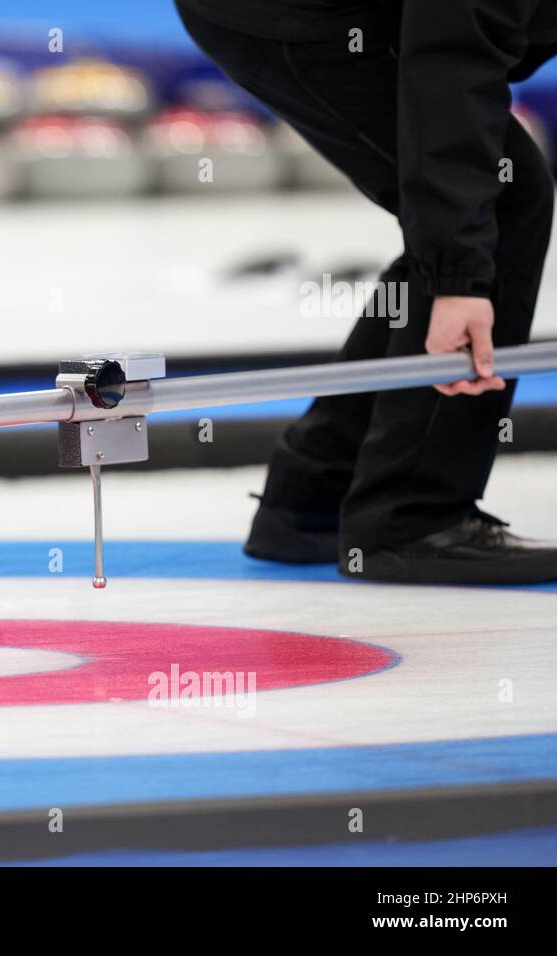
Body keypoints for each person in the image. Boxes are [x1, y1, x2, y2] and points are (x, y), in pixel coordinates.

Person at [174, 0, 557, 582]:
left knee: (481, 204)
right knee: (496, 196)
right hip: (294, 16)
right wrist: (459, 278)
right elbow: (452, 58)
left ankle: (315, 494)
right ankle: (410, 518)